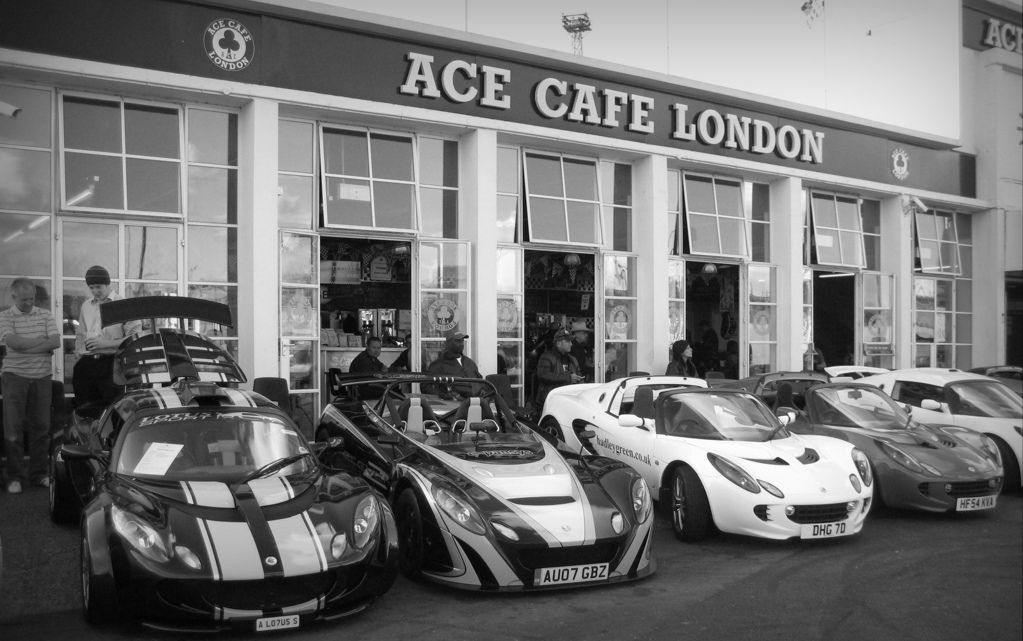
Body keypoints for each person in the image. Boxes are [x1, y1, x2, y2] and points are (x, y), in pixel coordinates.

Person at [1, 278, 60, 494]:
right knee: (13, 429)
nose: (29, 303)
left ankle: (39, 474)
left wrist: (28, 345)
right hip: (14, 377)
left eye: (32, 299)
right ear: (13, 297)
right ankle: (15, 476)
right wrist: (41, 344)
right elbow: (12, 342)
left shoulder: (45, 314)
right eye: (24, 299)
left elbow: (56, 342)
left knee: (41, 429)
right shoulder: (5, 316)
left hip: (42, 377)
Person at [73, 266, 141, 408]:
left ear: (107, 284)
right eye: (91, 288)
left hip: (112, 364)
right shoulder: (86, 305)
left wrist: (104, 344)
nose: (95, 291)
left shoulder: (123, 305)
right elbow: (81, 334)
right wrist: (79, 358)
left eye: (98, 287)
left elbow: (135, 339)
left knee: (112, 407)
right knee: (84, 407)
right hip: (87, 363)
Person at [535, 329, 583, 409]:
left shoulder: (573, 360)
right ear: (559, 343)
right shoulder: (546, 357)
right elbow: (543, 375)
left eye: (571, 341)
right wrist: (568, 377)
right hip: (550, 401)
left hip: (570, 401)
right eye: (568, 341)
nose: (571, 344)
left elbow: (580, 378)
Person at [425, 330, 482, 397]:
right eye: (458, 341)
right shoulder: (438, 365)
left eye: (462, 341)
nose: (461, 344)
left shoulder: (470, 363)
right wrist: (444, 395)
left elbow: (480, 381)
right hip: (455, 405)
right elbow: (425, 387)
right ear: (448, 343)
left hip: (477, 403)